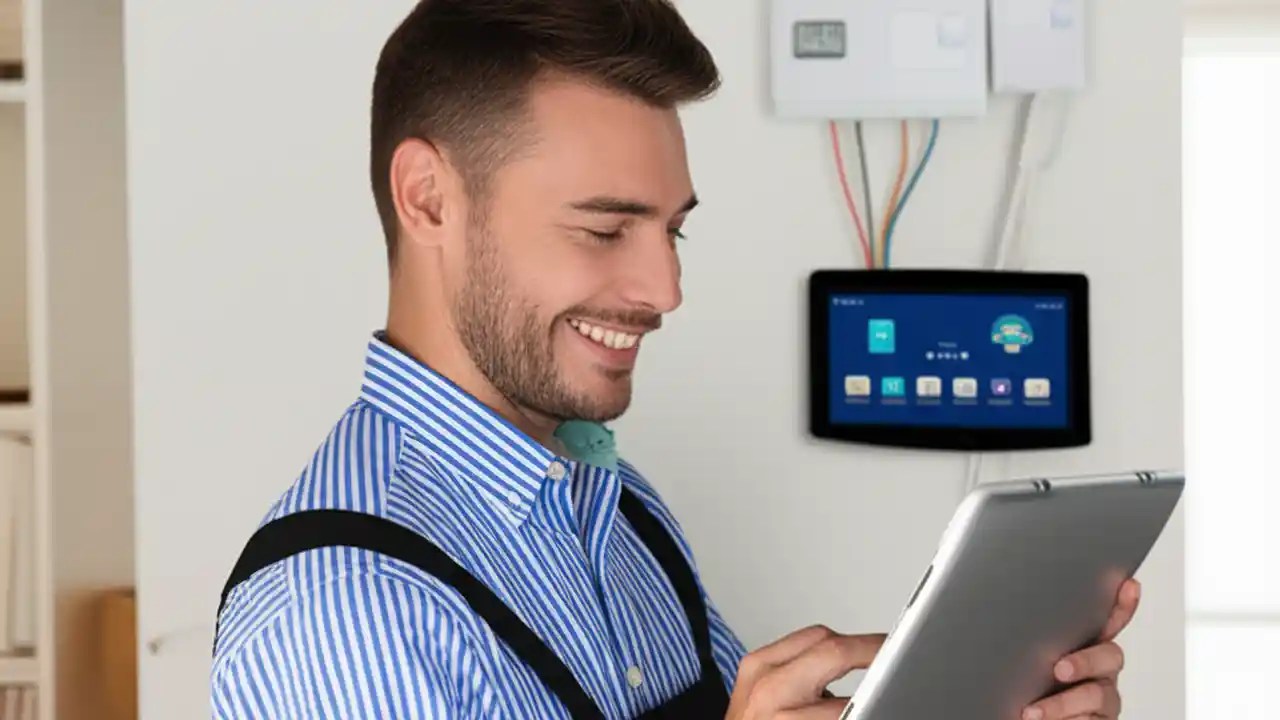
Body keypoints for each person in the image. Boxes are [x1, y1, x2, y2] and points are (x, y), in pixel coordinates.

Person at [211, 1, 1140, 718]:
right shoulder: (339, 610)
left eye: (671, 231)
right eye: (605, 227)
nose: (663, 289)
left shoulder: (624, 511)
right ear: (427, 199)